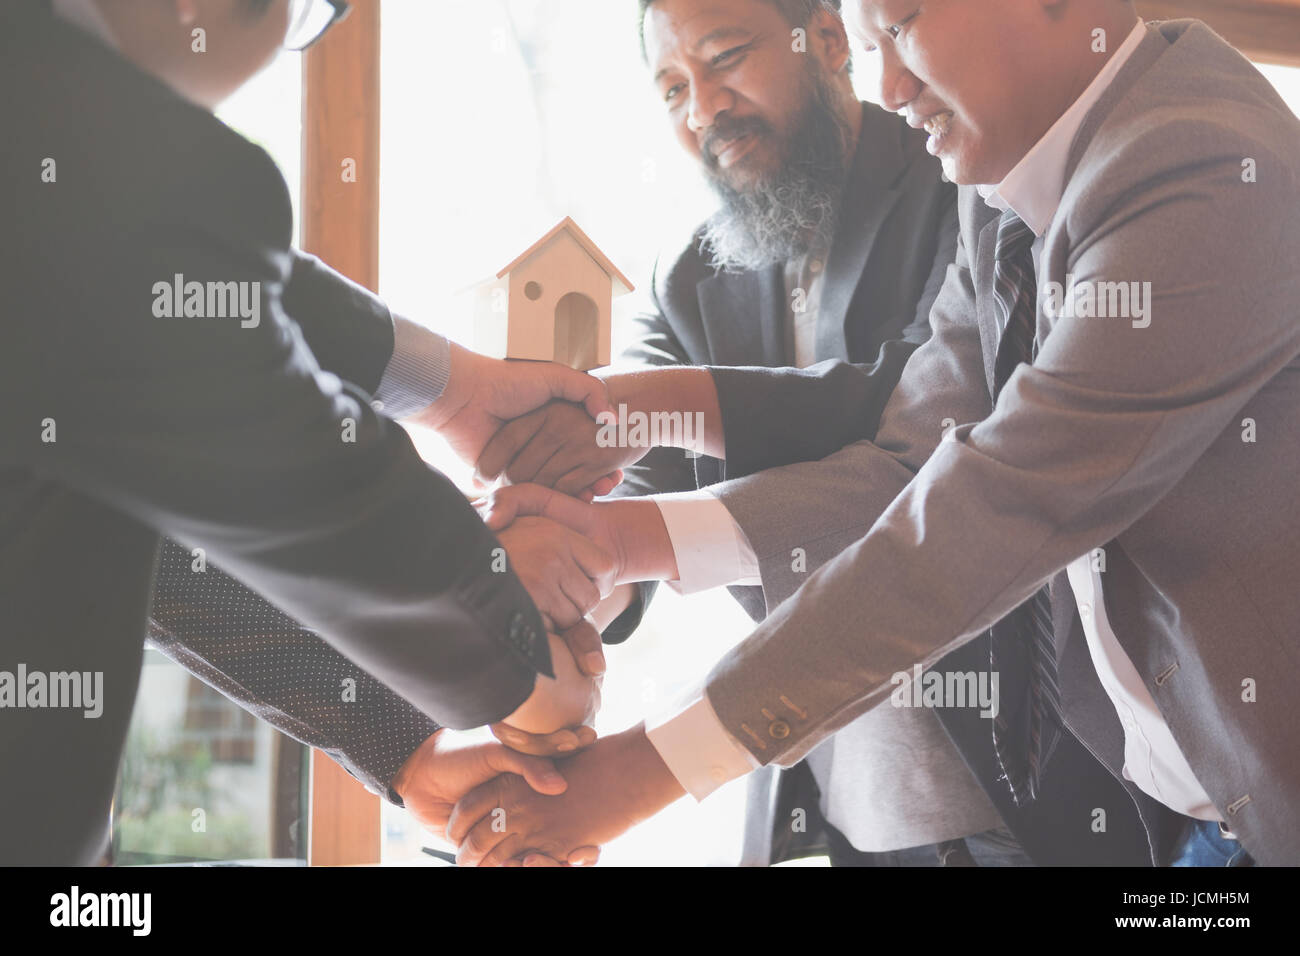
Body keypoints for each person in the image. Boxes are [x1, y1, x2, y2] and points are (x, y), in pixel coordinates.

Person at [448, 0, 1300, 867]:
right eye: (671, 87)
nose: (890, 84)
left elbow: (993, 509)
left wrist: (636, 775)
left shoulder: (1194, 165)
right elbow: (912, 465)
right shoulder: (1001, 181)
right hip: (1177, 811)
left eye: (902, 25)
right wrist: (601, 548)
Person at [0, 0, 604, 864]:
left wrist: (452, 391)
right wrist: (531, 673)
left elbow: (155, 521)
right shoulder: (93, 157)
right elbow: (316, 500)